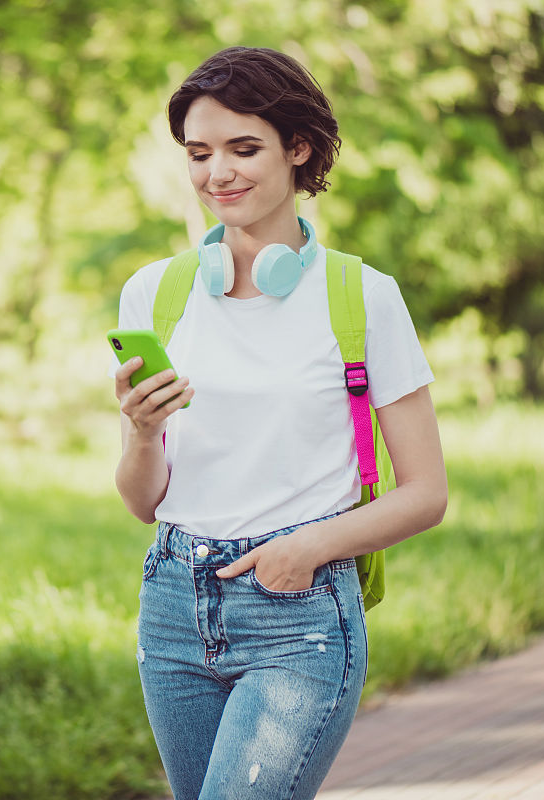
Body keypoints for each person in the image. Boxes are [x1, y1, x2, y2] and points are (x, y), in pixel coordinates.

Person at [111, 46, 448, 800]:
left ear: (299, 149)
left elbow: (425, 492)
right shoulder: (154, 293)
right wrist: (138, 433)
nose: (216, 173)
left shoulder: (362, 297)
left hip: (298, 613)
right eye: (199, 153)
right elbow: (142, 502)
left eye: (243, 148)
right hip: (173, 604)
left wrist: (306, 550)